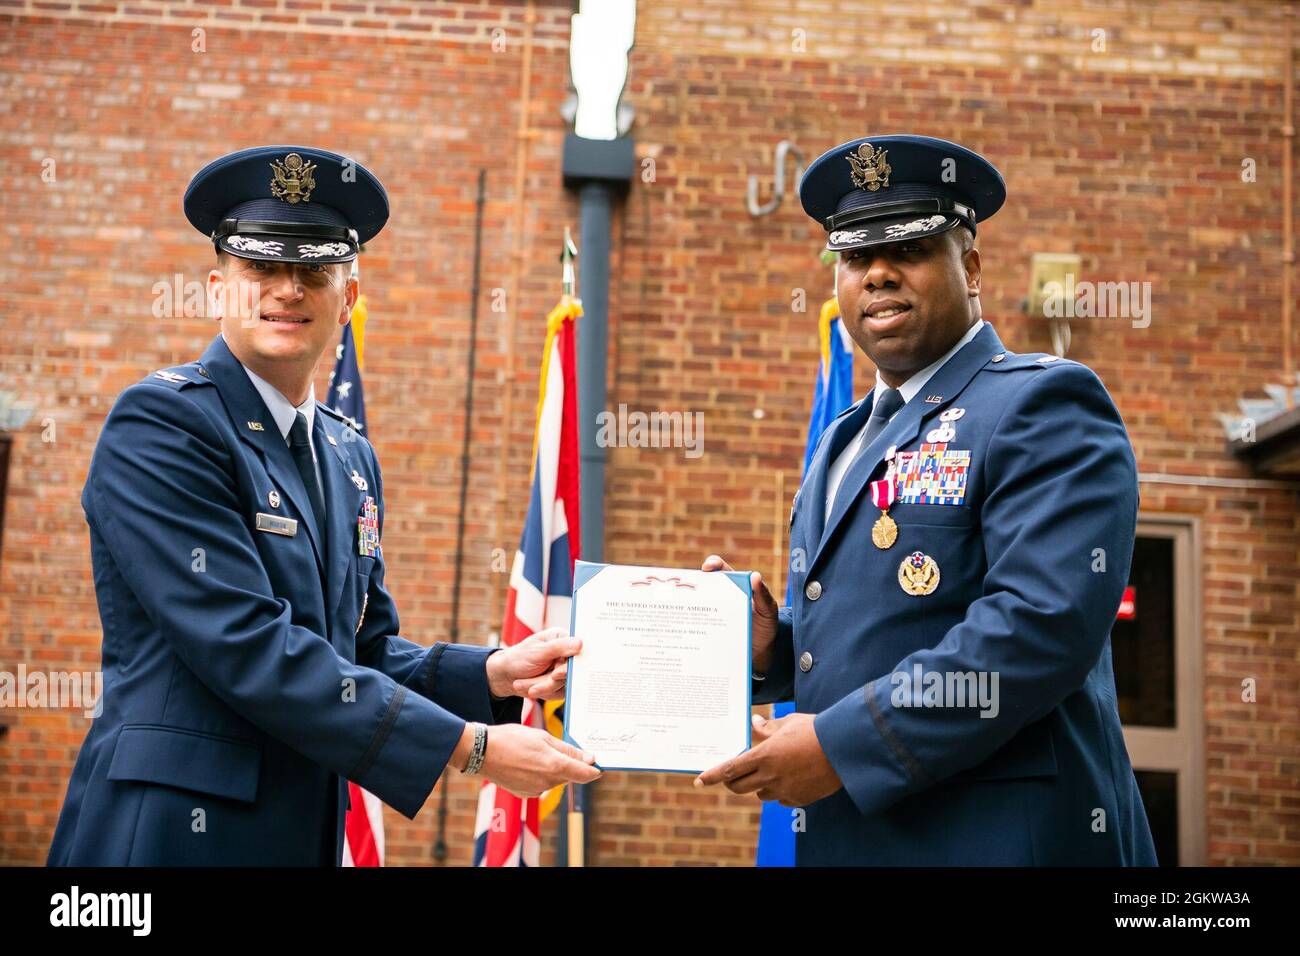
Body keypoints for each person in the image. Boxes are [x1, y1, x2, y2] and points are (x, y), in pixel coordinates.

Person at [48, 146, 599, 866]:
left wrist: (494, 674)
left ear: (349, 296)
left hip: (301, 835)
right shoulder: (162, 424)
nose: (287, 290)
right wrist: (473, 751)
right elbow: (247, 644)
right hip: (167, 836)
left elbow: (361, 650)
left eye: (313, 271)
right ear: (218, 290)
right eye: (261, 268)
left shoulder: (348, 455)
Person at [697, 134, 1157, 866]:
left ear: (969, 267)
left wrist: (843, 745)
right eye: (853, 258)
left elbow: (1040, 626)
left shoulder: (1043, 402)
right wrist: (773, 649)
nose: (876, 274)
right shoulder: (843, 439)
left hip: (998, 841)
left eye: (907, 251)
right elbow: (877, 631)